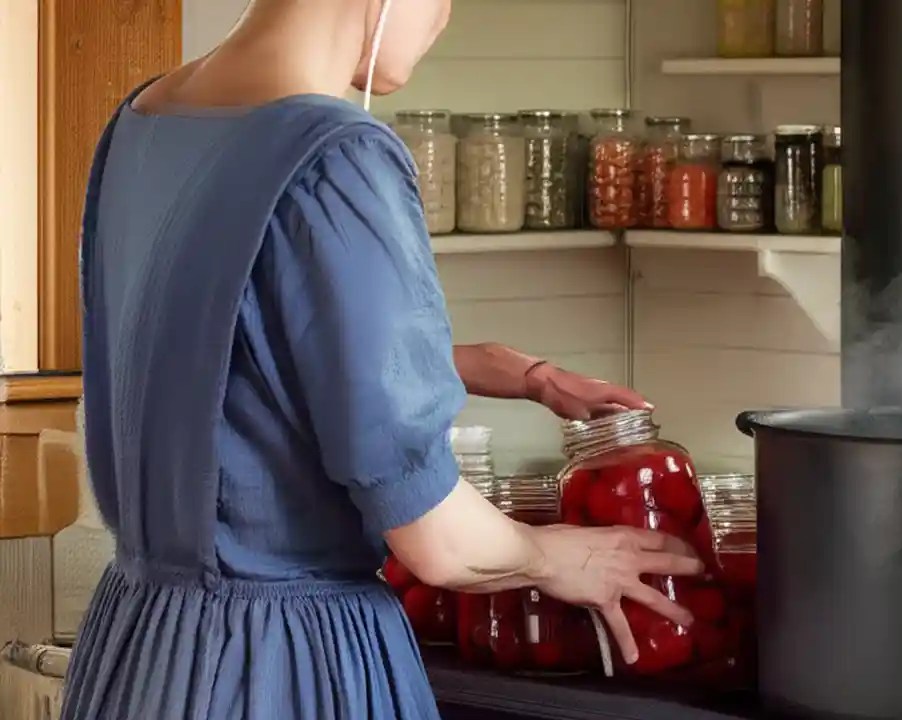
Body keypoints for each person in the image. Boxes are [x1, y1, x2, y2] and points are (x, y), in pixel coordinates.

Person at [61, 0, 702, 717]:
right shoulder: (334, 153)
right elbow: (436, 542)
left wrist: (479, 363)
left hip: (139, 650)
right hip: (285, 663)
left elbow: (217, 356)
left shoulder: (143, 121)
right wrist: (558, 557)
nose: (441, 21)